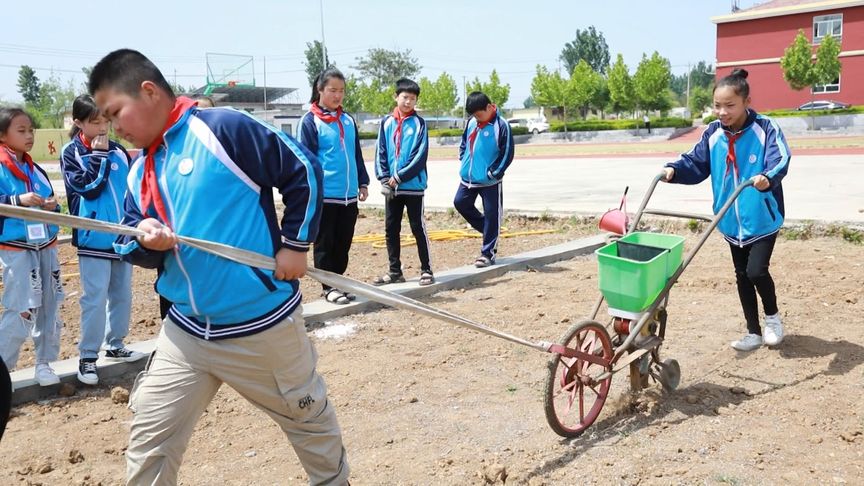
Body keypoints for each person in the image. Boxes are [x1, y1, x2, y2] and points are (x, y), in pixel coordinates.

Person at [89, 49, 348, 484]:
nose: (115, 128)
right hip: (185, 334)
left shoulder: (222, 128)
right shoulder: (139, 173)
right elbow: (127, 239)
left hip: (262, 328)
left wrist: (295, 245)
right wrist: (147, 240)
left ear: (148, 91)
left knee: (310, 425)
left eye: (116, 113)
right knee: (149, 438)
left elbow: (302, 167)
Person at [662, 68, 790, 351]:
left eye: (730, 105)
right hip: (729, 219)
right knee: (742, 274)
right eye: (717, 106)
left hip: (761, 217)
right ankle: (753, 332)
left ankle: (773, 320)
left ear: (746, 101)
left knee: (756, 271)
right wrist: (674, 170)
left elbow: (780, 158)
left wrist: (767, 177)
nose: (722, 112)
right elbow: (696, 162)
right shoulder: (712, 133)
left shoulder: (765, 128)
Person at [60, 94, 143, 386]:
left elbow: (131, 192)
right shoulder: (72, 152)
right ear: (79, 123)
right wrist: (98, 157)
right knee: (93, 299)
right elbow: (87, 189)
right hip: (93, 238)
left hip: (121, 237)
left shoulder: (120, 151)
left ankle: (116, 343)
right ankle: (87, 357)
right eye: (95, 122)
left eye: (105, 120)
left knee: (122, 294)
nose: (102, 127)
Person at [0, 108, 64, 386]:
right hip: (17, 249)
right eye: (21, 131)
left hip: (46, 245)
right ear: (2, 135)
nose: (29, 136)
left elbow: (52, 201)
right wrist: (17, 200)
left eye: (31, 130)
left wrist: (52, 205)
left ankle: (44, 363)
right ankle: (2, 369)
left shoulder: (34, 168)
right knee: (21, 308)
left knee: (51, 304)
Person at [297, 68, 369, 304]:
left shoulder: (347, 120)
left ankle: (339, 282)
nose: (338, 96)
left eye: (341, 91)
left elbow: (355, 153)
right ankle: (328, 287)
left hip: (349, 195)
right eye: (332, 90)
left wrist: (363, 181)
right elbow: (305, 160)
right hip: (326, 194)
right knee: (325, 242)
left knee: (343, 242)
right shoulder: (310, 121)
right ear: (320, 90)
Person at [372, 77, 434, 286]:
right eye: (405, 97)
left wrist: (398, 177)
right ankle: (395, 270)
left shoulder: (419, 124)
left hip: (412, 186)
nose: (408, 102)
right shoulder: (386, 122)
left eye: (413, 98)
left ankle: (426, 269)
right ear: (396, 97)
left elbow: (419, 156)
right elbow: (380, 151)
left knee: (418, 227)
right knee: (391, 228)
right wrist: (384, 179)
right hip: (391, 189)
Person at [453, 91, 514, 268]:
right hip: (468, 178)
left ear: (489, 107)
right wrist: (463, 159)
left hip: (490, 182)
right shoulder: (472, 123)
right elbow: (464, 142)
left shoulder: (501, 125)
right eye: (474, 116)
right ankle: (489, 231)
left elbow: (507, 153)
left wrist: (494, 173)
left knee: (492, 214)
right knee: (460, 203)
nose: (477, 119)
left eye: (479, 115)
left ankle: (487, 253)